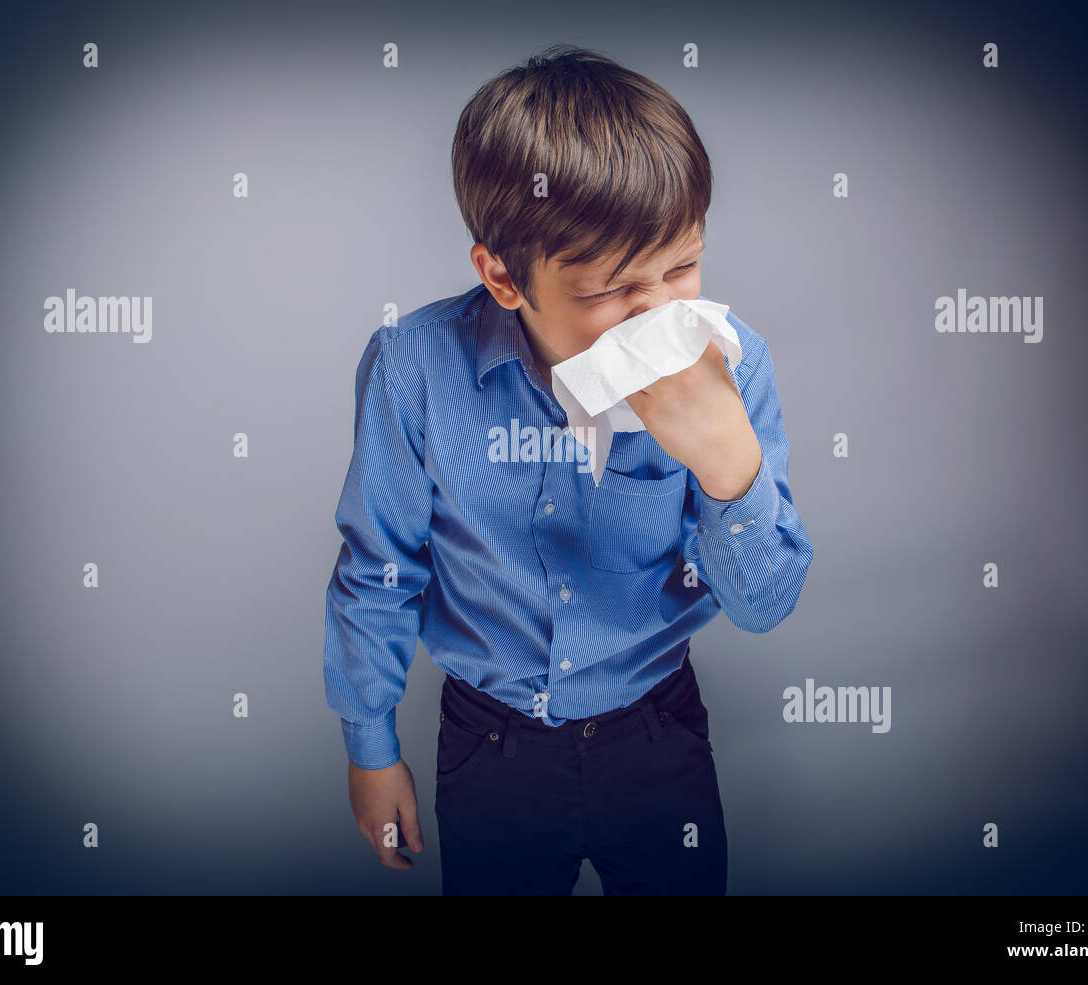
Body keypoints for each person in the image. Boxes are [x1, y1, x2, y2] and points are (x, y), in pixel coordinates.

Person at [323, 44, 814, 895]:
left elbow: (765, 607)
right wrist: (371, 747)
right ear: (503, 277)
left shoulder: (734, 367)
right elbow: (379, 569)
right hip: (491, 742)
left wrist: (731, 466)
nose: (662, 313)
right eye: (615, 290)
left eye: (683, 267)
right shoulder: (414, 370)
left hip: (657, 729)